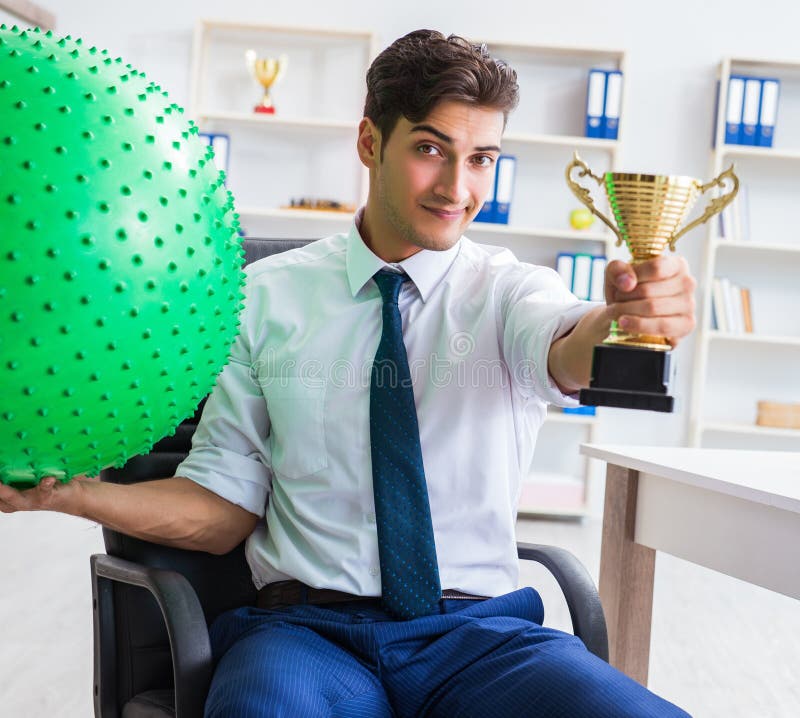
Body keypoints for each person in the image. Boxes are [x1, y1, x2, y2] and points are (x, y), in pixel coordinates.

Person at [0, 29, 695, 717]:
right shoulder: (262, 297)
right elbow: (221, 512)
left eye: (481, 158)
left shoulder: (511, 291)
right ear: (370, 143)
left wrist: (628, 315)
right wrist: (72, 496)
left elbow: (567, 345)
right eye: (430, 149)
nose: (458, 187)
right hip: (306, 634)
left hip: (479, 638)